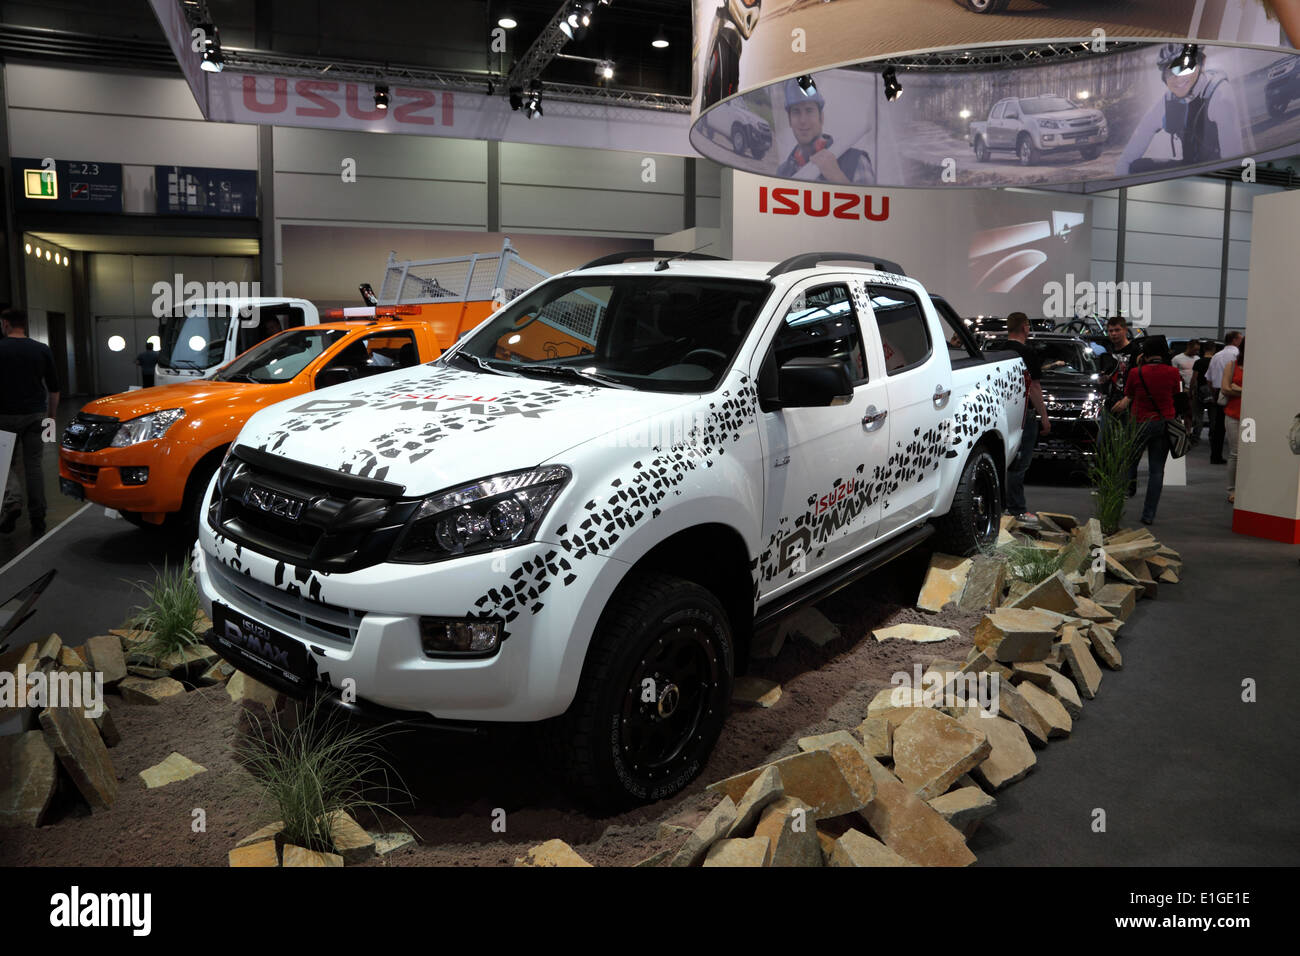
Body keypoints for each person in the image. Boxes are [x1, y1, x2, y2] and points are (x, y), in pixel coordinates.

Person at [1116, 43, 1244, 176]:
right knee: (1136, 166)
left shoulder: (1219, 95)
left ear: (1202, 63)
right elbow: (1127, 158)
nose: (1177, 77)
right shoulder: (1168, 101)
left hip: (1214, 175)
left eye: (1184, 67)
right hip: (1188, 170)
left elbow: (1233, 160)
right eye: (1169, 71)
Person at [0, 309, 60, 538]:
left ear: (5, 324)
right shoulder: (41, 349)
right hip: (36, 415)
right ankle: (38, 517)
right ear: (24, 325)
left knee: (4, 464)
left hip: (3, 415)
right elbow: (54, 388)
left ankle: (13, 502)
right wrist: (51, 418)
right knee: (34, 465)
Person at [1111, 336, 1183, 526]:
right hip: (1164, 423)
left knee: (1129, 465)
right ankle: (1148, 514)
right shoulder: (1173, 372)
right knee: (1157, 470)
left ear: (1146, 353)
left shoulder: (1136, 372)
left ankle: (1117, 506)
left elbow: (1129, 393)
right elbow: (1177, 394)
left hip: (1139, 422)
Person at [776, 78, 875, 186]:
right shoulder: (782, 173)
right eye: (796, 112)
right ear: (790, 121)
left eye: (809, 110)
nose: (803, 120)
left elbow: (874, 203)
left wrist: (837, 177)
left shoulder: (856, 162)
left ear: (821, 117)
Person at [1002, 312, 1051, 523]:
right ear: (1024, 328)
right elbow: (1034, 388)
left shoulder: (995, 350)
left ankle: (1000, 507)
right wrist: (1045, 417)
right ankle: (1016, 509)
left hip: (999, 416)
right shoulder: (1027, 353)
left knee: (1000, 462)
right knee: (1019, 464)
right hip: (1023, 416)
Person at [1207, 330, 1242, 464]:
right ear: (1234, 340)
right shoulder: (1237, 355)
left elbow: (1209, 378)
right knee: (1237, 426)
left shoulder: (1216, 355)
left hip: (1218, 392)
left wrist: (1214, 393)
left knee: (1218, 428)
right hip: (1234, 394)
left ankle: (1215, 455)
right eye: (1240, 339)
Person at [1221, 337, 1245, 504]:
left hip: (1251, 418)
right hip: (1233, 415)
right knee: (1235, 453)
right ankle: (1232, 490)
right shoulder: (1232, 365)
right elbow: (1225, 388)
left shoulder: (1260, 368)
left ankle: (1246, 487)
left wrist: (1238, 388)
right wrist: (1245, 391)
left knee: (1249, 453)